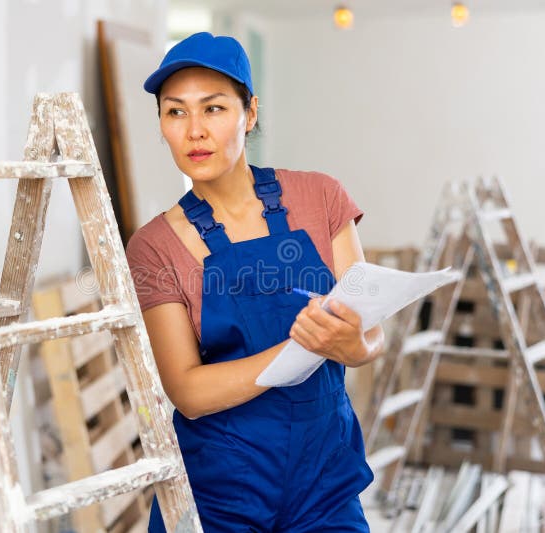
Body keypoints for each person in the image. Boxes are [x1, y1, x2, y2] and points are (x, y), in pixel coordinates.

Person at [125, 31, 384, 532]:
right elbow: (188, 391)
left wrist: (352, 345)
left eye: (214, 109)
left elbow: (370, 335)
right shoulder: (154, 246)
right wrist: (301, 348)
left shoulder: (322, 198)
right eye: (175, 112)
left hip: (324, 485)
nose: (194, 130)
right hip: (219, 494)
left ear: (251, 112)